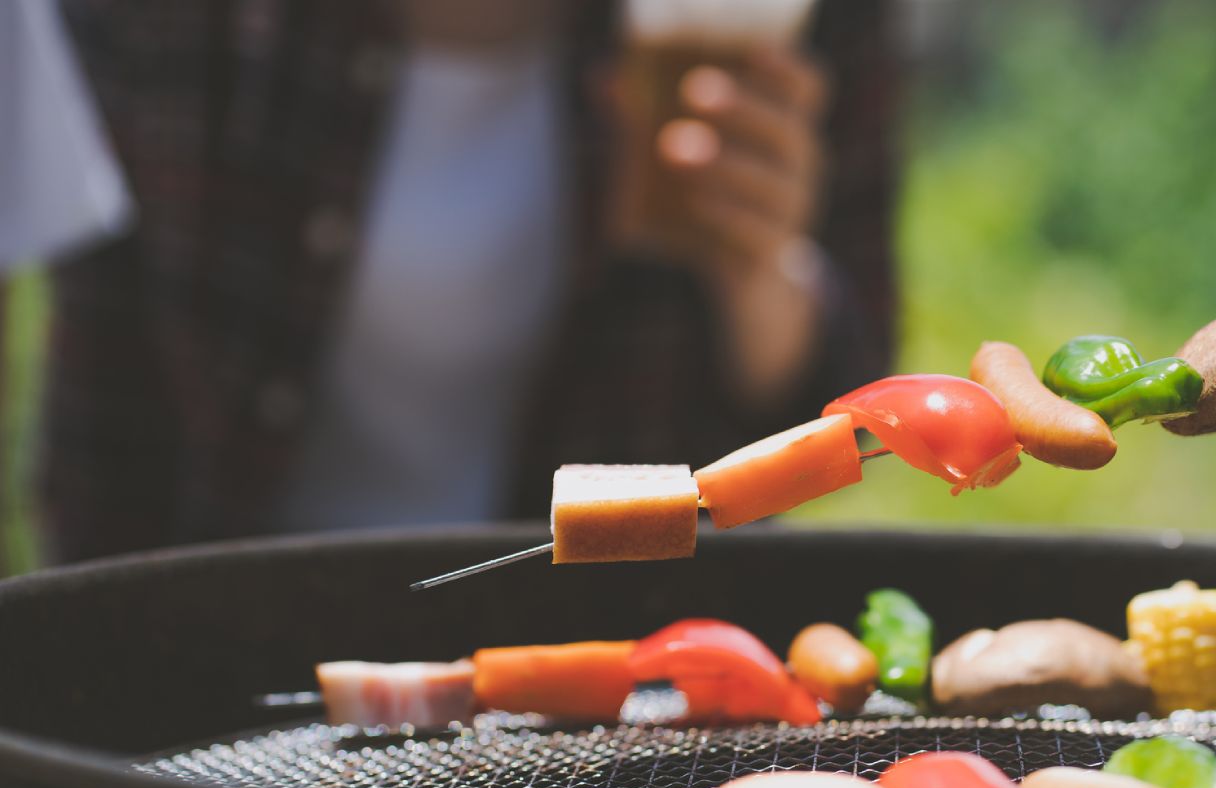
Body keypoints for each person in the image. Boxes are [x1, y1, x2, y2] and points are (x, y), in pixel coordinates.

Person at [8, 0, 898, 564]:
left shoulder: (804, 26)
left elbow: (845, 426)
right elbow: (105, 447)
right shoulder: (169, 22)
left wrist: (758, 272)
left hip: (613, 693)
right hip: (231, 661)